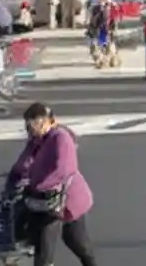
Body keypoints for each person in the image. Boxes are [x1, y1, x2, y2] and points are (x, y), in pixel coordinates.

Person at [6, 103, 97, 266]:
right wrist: (15, 178)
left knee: (79, 245)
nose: (32, 128)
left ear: (49, 122)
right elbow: (25, 162)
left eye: (36, 123)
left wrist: (38, 186)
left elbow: (64, 168)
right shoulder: (36, 140)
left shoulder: (61, 138)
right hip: (44, 204)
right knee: (43, 252)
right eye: (29, 124)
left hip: (64, 200)